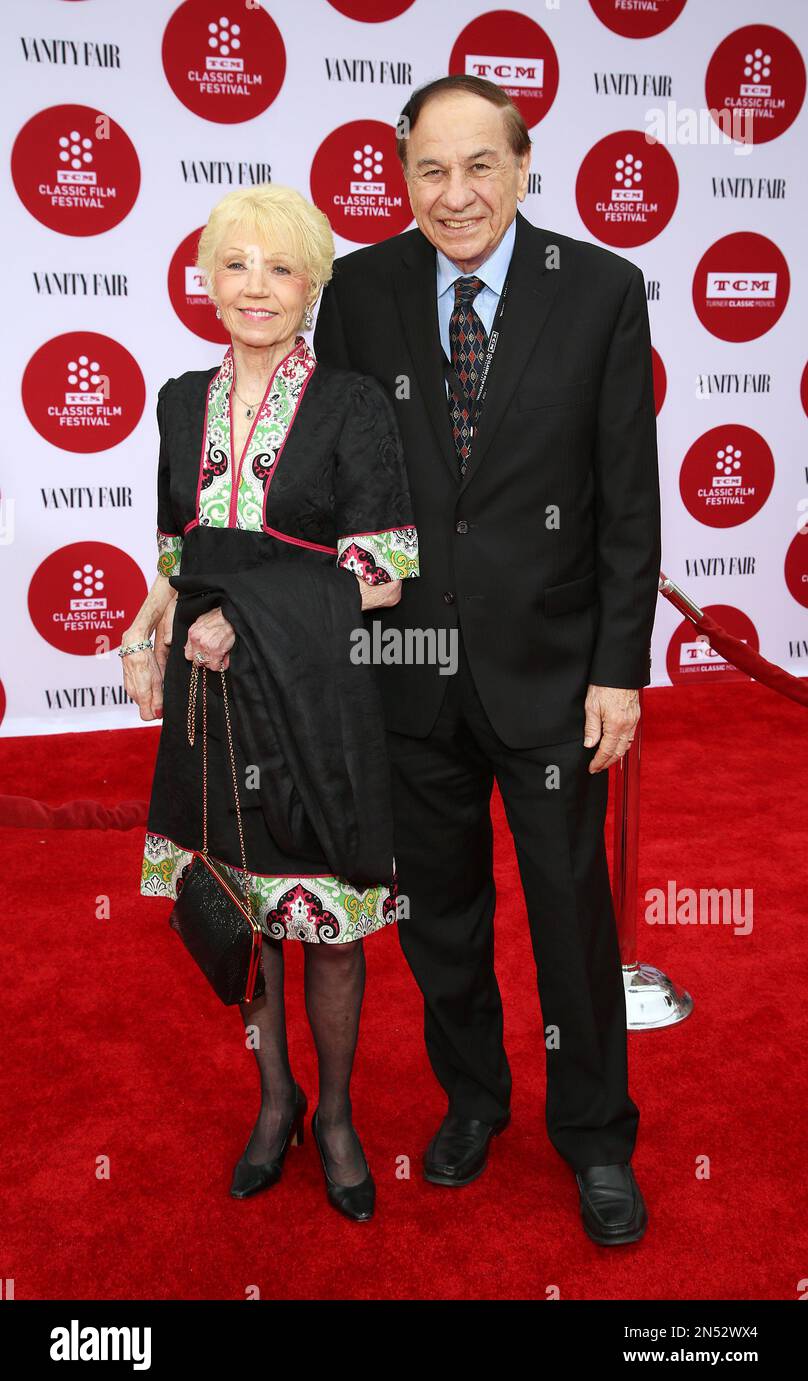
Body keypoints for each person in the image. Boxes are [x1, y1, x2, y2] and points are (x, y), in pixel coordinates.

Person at [314, 76, 661, 1245]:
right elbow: (340, 479)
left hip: (553, 668)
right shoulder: (358, 291)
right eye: (427, 170)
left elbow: (626, 499)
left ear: (523, 165)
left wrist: (619, 669)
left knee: (570, 913)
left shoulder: (600, 291)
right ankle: (472, 1101)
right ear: (401, 174)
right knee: (441, 915)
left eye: (477, 166)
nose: (453, 194)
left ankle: (597, 1136)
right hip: (406, 665)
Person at [120, 184, 419, 1223]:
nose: (257, 287)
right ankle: (274, 1097)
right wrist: (145, 620)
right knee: (240, 913)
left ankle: (335, 1115)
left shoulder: (351, 406)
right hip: (209, 703)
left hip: (314, 695)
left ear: (312, 286)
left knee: (327, 924)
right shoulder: (174, 401)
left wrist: (245, 616)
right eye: (236, 265)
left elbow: (382, 572)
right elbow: (178, 547)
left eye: (280, 268)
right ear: (207, 280)